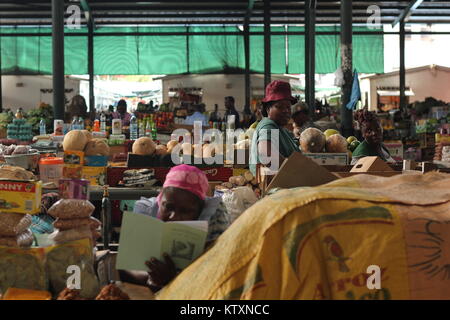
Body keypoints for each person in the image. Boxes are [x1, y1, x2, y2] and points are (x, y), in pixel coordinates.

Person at [119, 164, 230, 292]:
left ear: (200, 210)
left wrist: (173, 279)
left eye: (186, 211)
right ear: (160, 201)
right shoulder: (147, 213)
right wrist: (152, 277)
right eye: (168, 207)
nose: (174, 217)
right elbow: (127, 268)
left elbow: (216, 278)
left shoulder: (213, 223)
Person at [249, 80, 300, 176]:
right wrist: (296, 169)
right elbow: (266, 155)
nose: (285, 111)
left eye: (288, 107)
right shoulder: (268, 125)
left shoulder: (280, 129)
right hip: (274, 188)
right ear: (268, 109)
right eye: (279, 107)